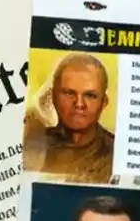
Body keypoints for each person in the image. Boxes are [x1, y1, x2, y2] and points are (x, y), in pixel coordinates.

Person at [23, 53, 115, 184]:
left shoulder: (118, 155)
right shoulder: (31, 145)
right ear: (53, 97)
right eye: (69, 93)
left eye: (90, 95)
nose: (79, 104)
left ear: (104, 102)